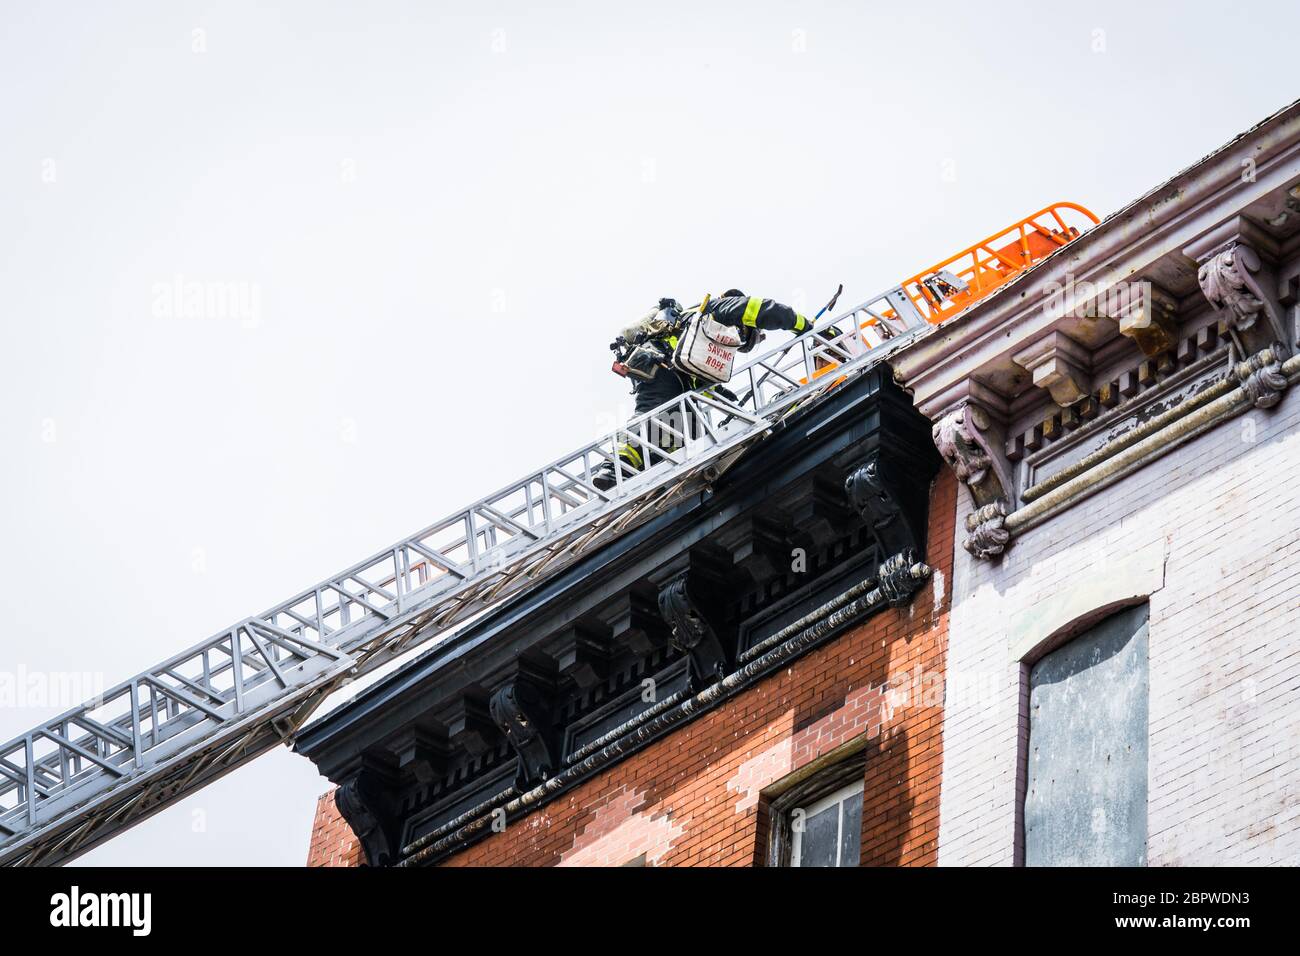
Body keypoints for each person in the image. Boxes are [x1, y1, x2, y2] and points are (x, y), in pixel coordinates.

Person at [593, 290, 812, 490]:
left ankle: (649, 477)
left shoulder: (707, 337)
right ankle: (614, 466)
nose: (741, 341)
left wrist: (728, 402)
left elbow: (697, 377)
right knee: (655, 413)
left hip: (672, 373)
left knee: (690, 435)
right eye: (746, 335)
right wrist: (801, 325)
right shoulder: (720, 310)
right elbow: (762, 308)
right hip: (660, 364)